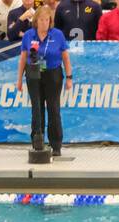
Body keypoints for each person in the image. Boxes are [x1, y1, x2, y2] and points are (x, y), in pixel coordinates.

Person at [16, 4, 72, 155]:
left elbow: (66, 57)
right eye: (41, 20)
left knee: (53, 108)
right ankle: (37, 142)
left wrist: (69, 77)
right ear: (36, 21)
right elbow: (23, 58)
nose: (44, 23)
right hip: (33, 73)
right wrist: (19, 79)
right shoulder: (29, 35)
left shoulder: (57, 35)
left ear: (50, 21)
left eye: (46, 20)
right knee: (37, 108)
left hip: (53, 74)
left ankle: (56, 145)